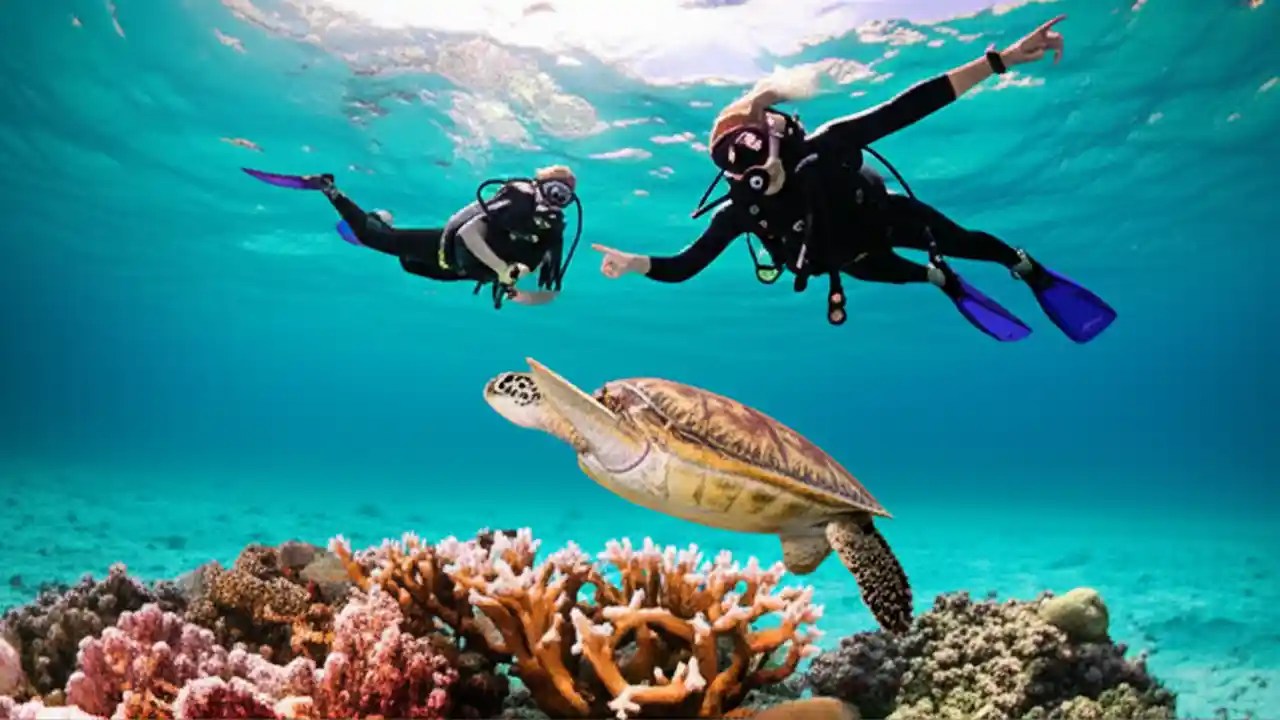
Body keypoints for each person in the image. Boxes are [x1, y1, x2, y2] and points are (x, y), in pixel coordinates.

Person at [592, 15, 1116, 344]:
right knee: (915, 275)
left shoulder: (827, 147)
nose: (744, 166)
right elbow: (685, 265)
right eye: (728, 159)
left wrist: (999, 61)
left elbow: (907, 107)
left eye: (748, 145)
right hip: (851, 263)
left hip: (888, 221)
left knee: (966, 242)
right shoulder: (743, 212)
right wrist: (635, 263)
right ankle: (942, 281)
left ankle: (1025, 267)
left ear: (774, 134)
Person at [241, 165, 583, 309]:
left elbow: (540, 283)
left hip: (456, 270)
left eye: (564, 196)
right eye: (554, 190)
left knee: (407, 264)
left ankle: (378, 222)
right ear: (539, 185)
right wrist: (500, 268)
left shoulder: (551, 229)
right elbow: (468, 231)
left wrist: (516, 280)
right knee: (377, 240)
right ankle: (328, 188)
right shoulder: (517, 201)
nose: (556, 200)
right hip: (449, 248)